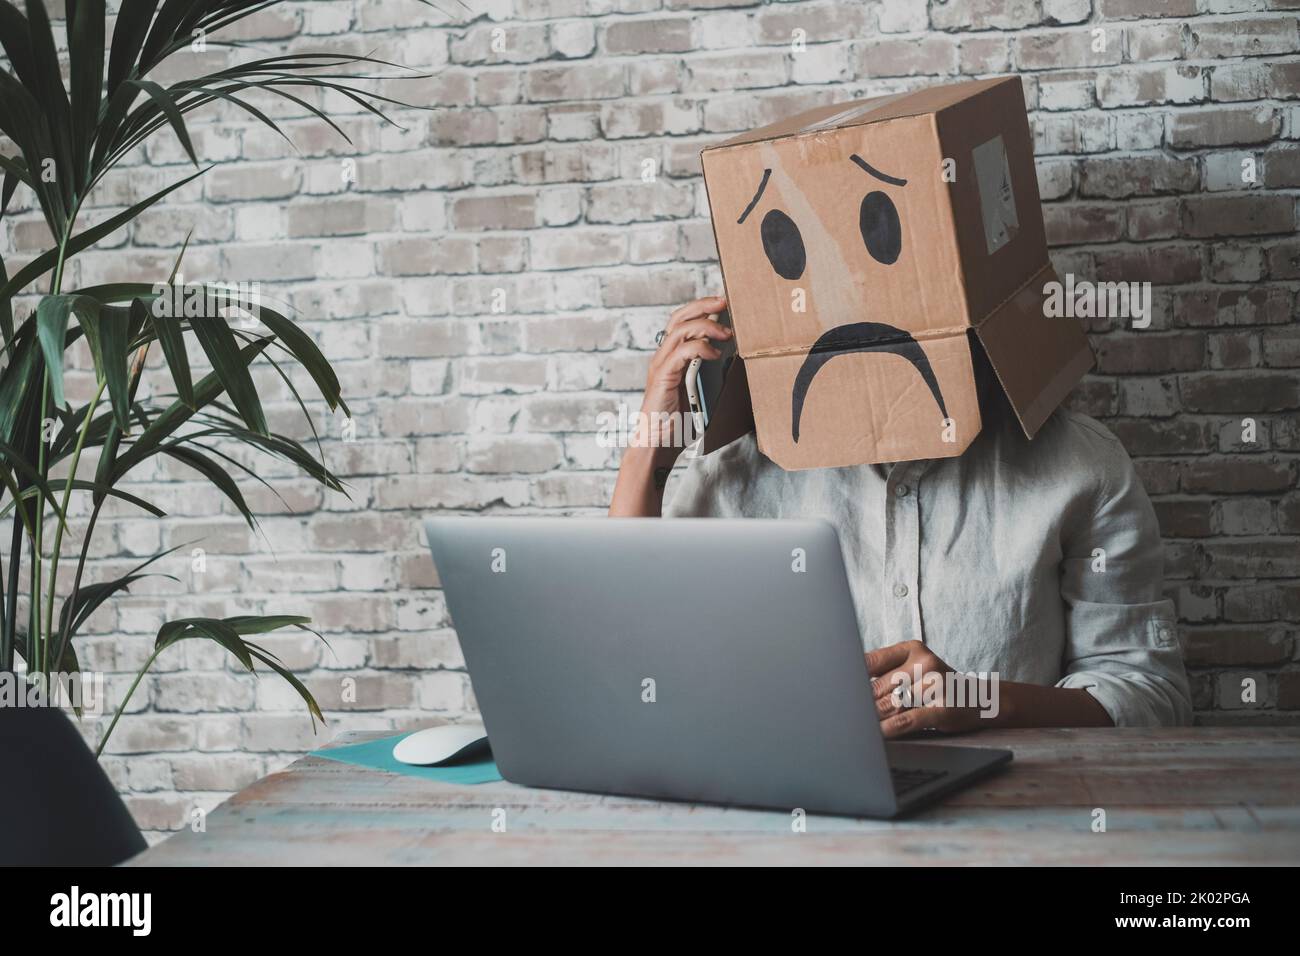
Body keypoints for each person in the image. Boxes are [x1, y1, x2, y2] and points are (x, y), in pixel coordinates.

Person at [609, 295, 1193, 738]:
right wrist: (650, 443)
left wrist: (986, 702)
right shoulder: (730, 472)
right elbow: (630, 663)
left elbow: (1150, 696)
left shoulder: (1077, 463)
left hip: (1016, 815)